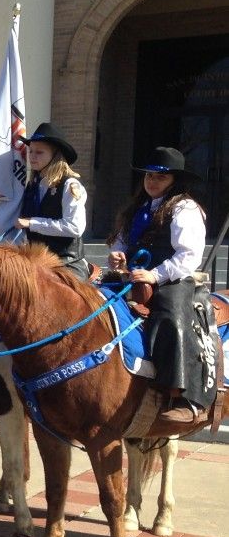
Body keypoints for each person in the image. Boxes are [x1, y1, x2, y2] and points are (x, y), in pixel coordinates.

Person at [107, 146, 213, 424]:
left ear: (175, 181)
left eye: (160, 177)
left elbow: (189, 255)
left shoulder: (185, 208)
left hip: (172, 278)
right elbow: (121, 243)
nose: (152, 181)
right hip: (133, 275)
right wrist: (118, 257)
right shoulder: (137, 209)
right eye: (149, 176)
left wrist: (154, 275)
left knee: (171, 317)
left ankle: (184, 397)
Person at [13, 122, 89, 279]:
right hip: (36, 260)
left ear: (55, 156)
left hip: (66, 261)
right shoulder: (32, 186)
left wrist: (32, 223)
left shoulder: (70, 185)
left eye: (39, 152)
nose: (32, 156)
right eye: (31, 151)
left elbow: (74, 227)